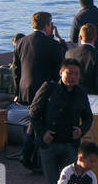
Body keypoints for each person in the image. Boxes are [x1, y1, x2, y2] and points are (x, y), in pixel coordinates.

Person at [29, 58, 92, 184]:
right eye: (69, 73)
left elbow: (88, 118)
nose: (73, 77)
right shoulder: (49, 88)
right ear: (61, 72)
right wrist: (42, 132)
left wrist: (81, 130)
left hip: (70, 146)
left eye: (76, 74)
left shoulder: (81, 93)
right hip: (49, 145)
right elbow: (33, 113)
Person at [13, 13, 65, 172]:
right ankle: (31, 157)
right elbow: (61, 66)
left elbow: (16, 69)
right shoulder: (52, 44)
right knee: (40, 122)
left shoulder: (21, 42)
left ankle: (29, 156)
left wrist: (18, 92)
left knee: (34, 120)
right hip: (45, 90)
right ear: (47, 26)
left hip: (26, 89)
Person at [65, 23, 98, 96]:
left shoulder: (69, 54)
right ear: (95, 37)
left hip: (71, 94)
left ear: (80, 37)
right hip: (91, 96)